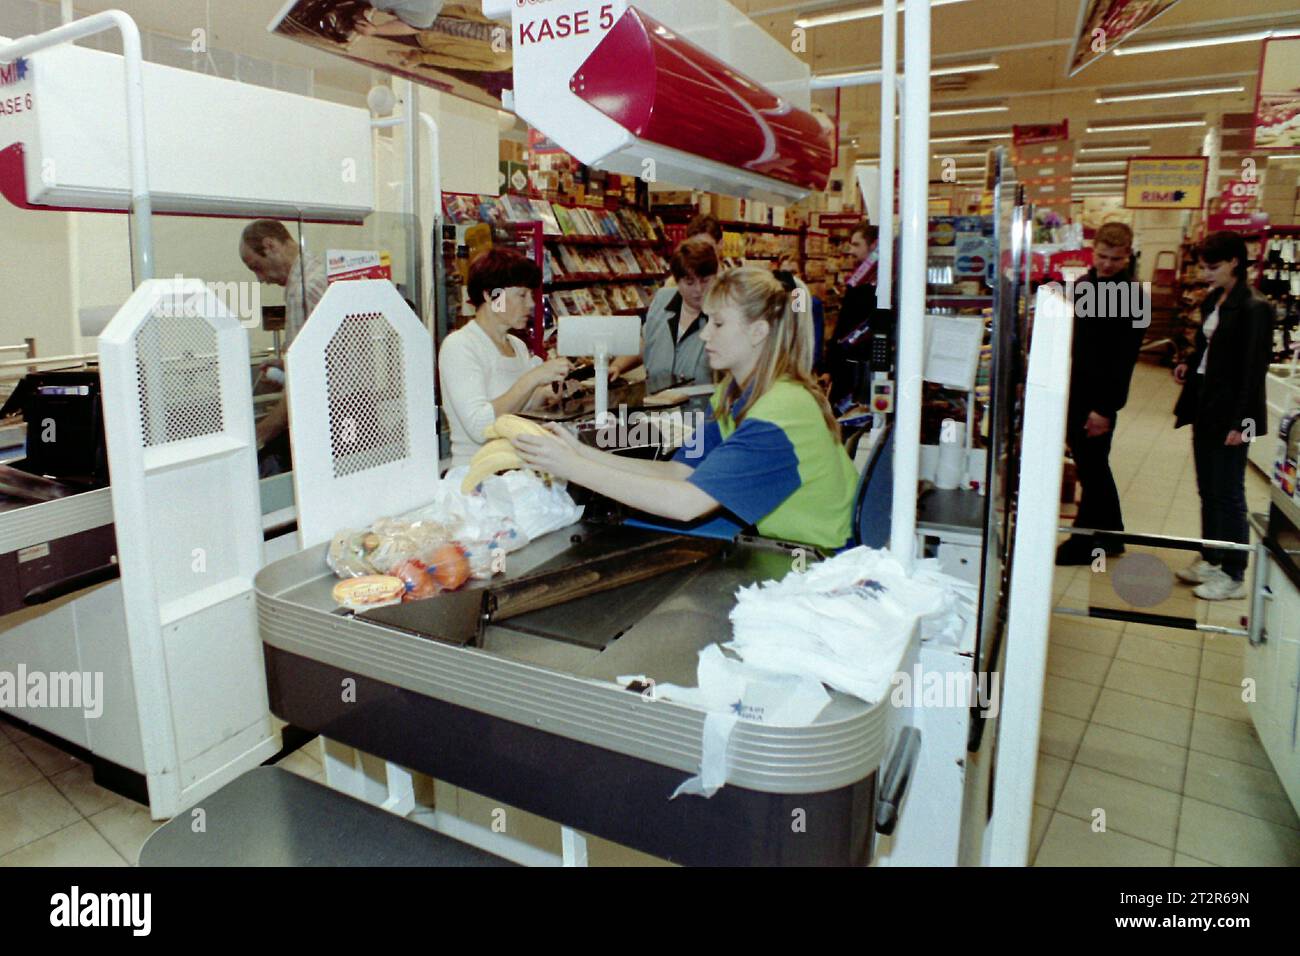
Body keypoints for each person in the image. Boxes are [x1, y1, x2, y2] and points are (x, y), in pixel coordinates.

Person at [509, 267, 859, 552]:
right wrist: (580, 453)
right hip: (786, 548)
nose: (705, 336)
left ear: (758, 332)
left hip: (819, 562)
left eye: (718, 324)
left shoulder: (782, 410)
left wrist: (571, 466)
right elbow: (679, 472)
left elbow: (686, 503)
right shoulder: (733, 392)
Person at [1171, 231, 1274, 600]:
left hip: (1233, 411)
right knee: (1208, 488)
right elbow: (1206, 347)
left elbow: (1252, 370)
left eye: (1212, 266)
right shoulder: (1215, 299)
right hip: (1205, 402)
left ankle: (1233, 574)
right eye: (1203, 267)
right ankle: (1212, 556)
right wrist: (1188, 365)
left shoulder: (1255, 307)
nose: (1206, 274)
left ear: (1234, 261)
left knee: (1229, 490)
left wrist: (1240, 424)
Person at [1055, 222, 1147, 565]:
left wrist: (1105, 409)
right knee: (1089, 464)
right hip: (1076, 390)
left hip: (1099, 399)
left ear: (1128, 256)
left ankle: (1084, 542)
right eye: (1102, 256)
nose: (1107, 264)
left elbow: (1123, 361)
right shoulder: (1084, 284)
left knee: (1092, 468)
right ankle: (1111, 534)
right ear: (1092, 252)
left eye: (1116, 259)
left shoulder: (1134, 297)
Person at [438, 247, 570, 469]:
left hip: (518, 474)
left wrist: (544, 395)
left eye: (531, 295)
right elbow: (481, 428)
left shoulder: (517, 346)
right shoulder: (460, 346)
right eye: (522, 295)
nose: (531, 304)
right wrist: (533, 378)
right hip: (479, 479)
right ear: (492, 296)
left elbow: (516, 412)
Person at [238, 219, 329, 474]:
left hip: (328, 420)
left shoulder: (304, 289)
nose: (260, 279)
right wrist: (286, 365)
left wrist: (260, 434)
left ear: (270, 246)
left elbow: (309, 382)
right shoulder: (318, 274)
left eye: (256, 267)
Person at [608, 236, 721, 390]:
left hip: (699, 409)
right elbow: (647, 341)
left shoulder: (723, 313)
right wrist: (618, 366)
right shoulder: (663, 300)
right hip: (656, 406)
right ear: (677, 280)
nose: (698, 290)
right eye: (689, 282)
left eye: (705, 281)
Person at [822, 222, 886, 404]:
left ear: (873, 246)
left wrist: (828, 363)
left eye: (856, 245)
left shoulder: (799, 292)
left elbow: (843, 325)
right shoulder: (864, 278)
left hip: (853, 363)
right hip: (849, 361)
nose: (851, 250)